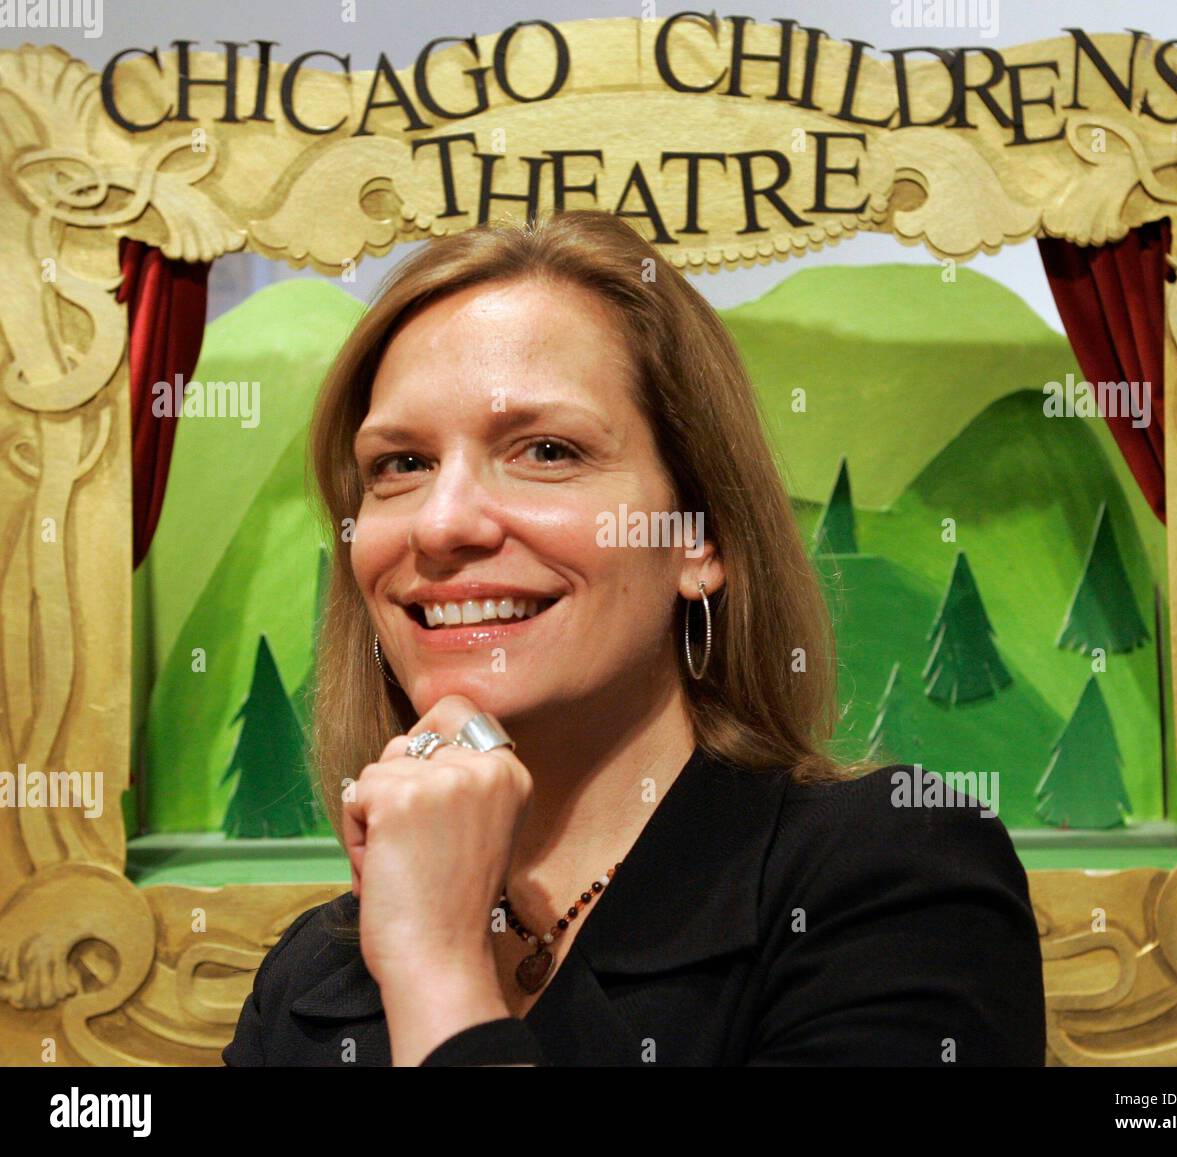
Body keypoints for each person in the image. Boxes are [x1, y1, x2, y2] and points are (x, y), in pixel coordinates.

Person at [222, 209, 1046, 1066]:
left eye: (545, 449)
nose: (442, 522)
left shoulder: (892, 879)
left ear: (702, 537)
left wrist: (439, 968)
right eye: (401, 464)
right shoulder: (310, 974)